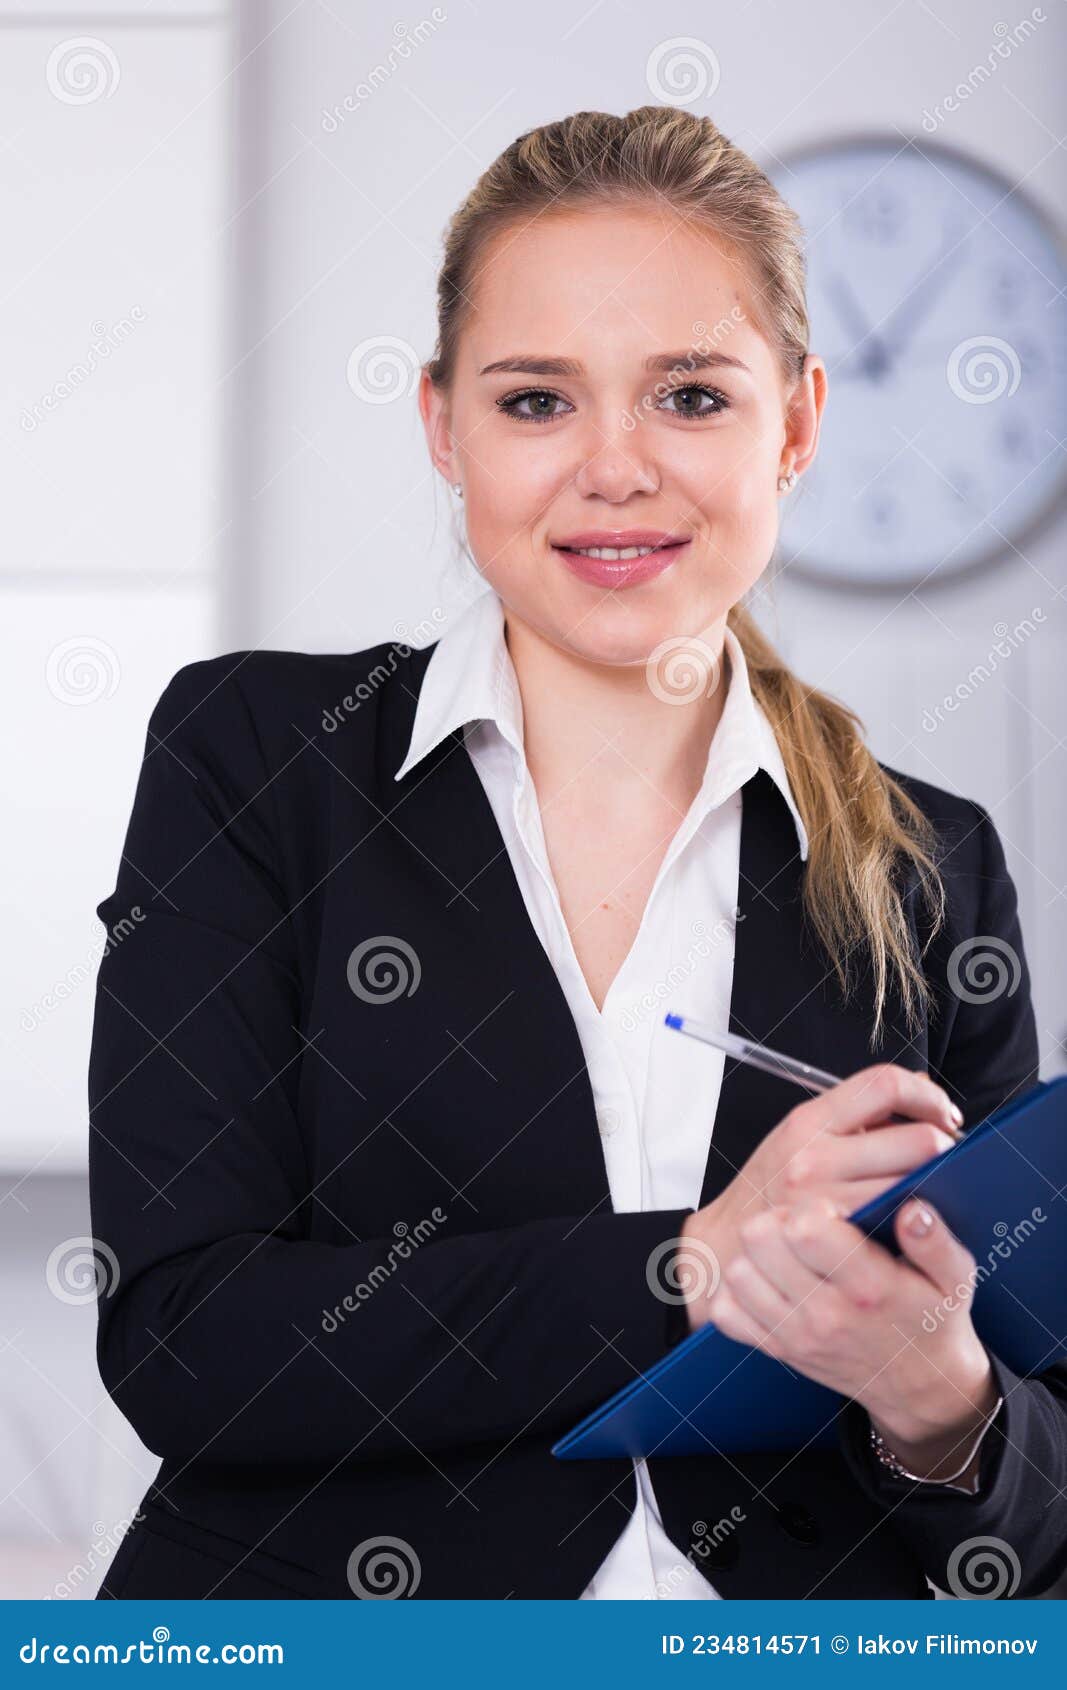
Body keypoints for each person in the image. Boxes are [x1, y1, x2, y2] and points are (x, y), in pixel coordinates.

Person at [90, 105, 1065, 1601]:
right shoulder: (259, 755)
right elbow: (185, 1341)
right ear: (442, 425)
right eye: (537, 402)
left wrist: (940, 1404)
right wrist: (693, 1267)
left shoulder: (933, 861)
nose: (616, 468)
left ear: (798, 423)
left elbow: (1030, 1496)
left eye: (690, 394)